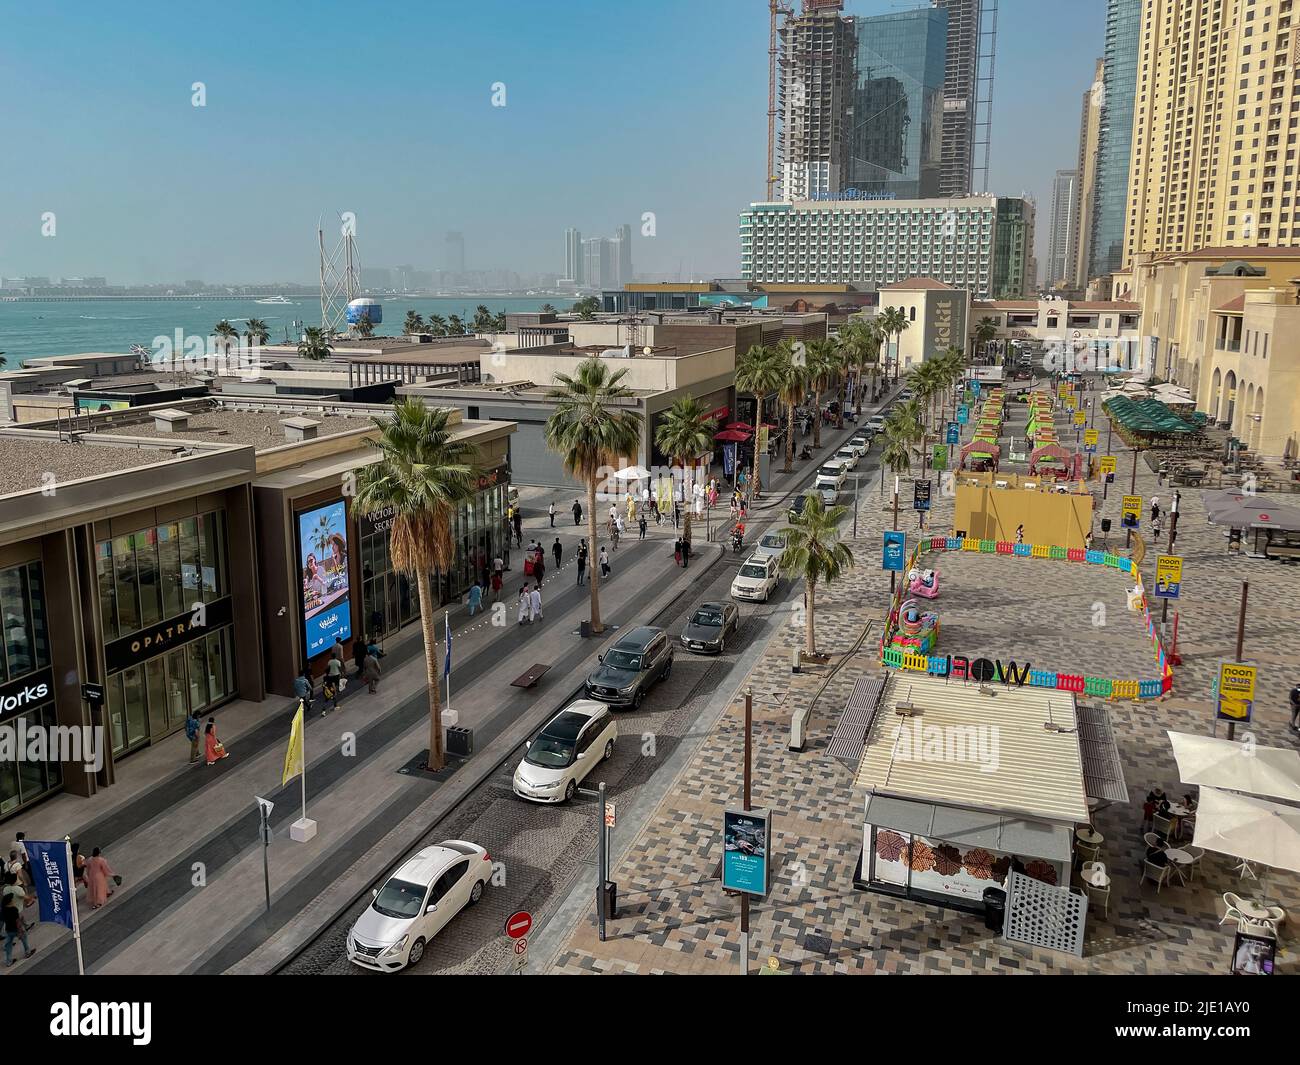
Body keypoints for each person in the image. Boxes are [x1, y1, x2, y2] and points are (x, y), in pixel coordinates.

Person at [1, 895, 33, 967]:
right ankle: (27, 952)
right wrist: (20, 931)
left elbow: (4, 920)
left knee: (8, 945)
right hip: (16, 929)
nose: (13, 901)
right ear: (9, 902)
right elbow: (17, 921)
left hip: (9, 930)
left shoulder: (3, 909)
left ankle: (9, 961)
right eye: (12, 900)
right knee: (24, 939)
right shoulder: (13, 909)